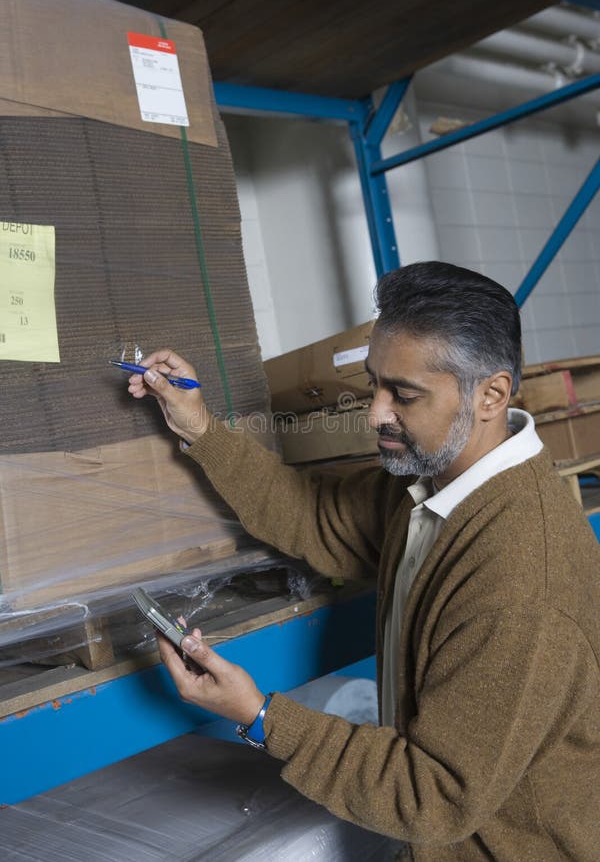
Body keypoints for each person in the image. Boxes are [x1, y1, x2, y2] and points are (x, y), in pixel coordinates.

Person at [127, 261, 600, 861]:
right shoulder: (434, 481)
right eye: (374, 384)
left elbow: (430, 797)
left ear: (492, 394)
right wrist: (200, 428)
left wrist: (258, 715)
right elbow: (312, 514)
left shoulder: (521, 583)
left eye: (403, 394)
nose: (375, 414)